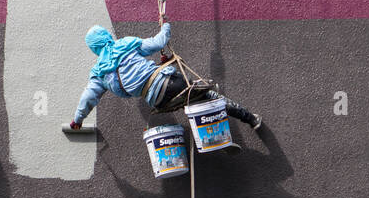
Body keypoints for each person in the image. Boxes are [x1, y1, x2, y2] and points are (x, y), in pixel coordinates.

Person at [68, 23, 263, 133]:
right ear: (106, 36)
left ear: (94, 48)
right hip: (168, 82)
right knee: (209, 95)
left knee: (192, 102)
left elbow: (88, 98)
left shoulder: (99, 73)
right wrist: (166, 26)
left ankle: (211, 134)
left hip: (157, 101)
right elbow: (158, 42)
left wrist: (78, 120)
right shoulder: (123, 45)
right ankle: (250, 118)